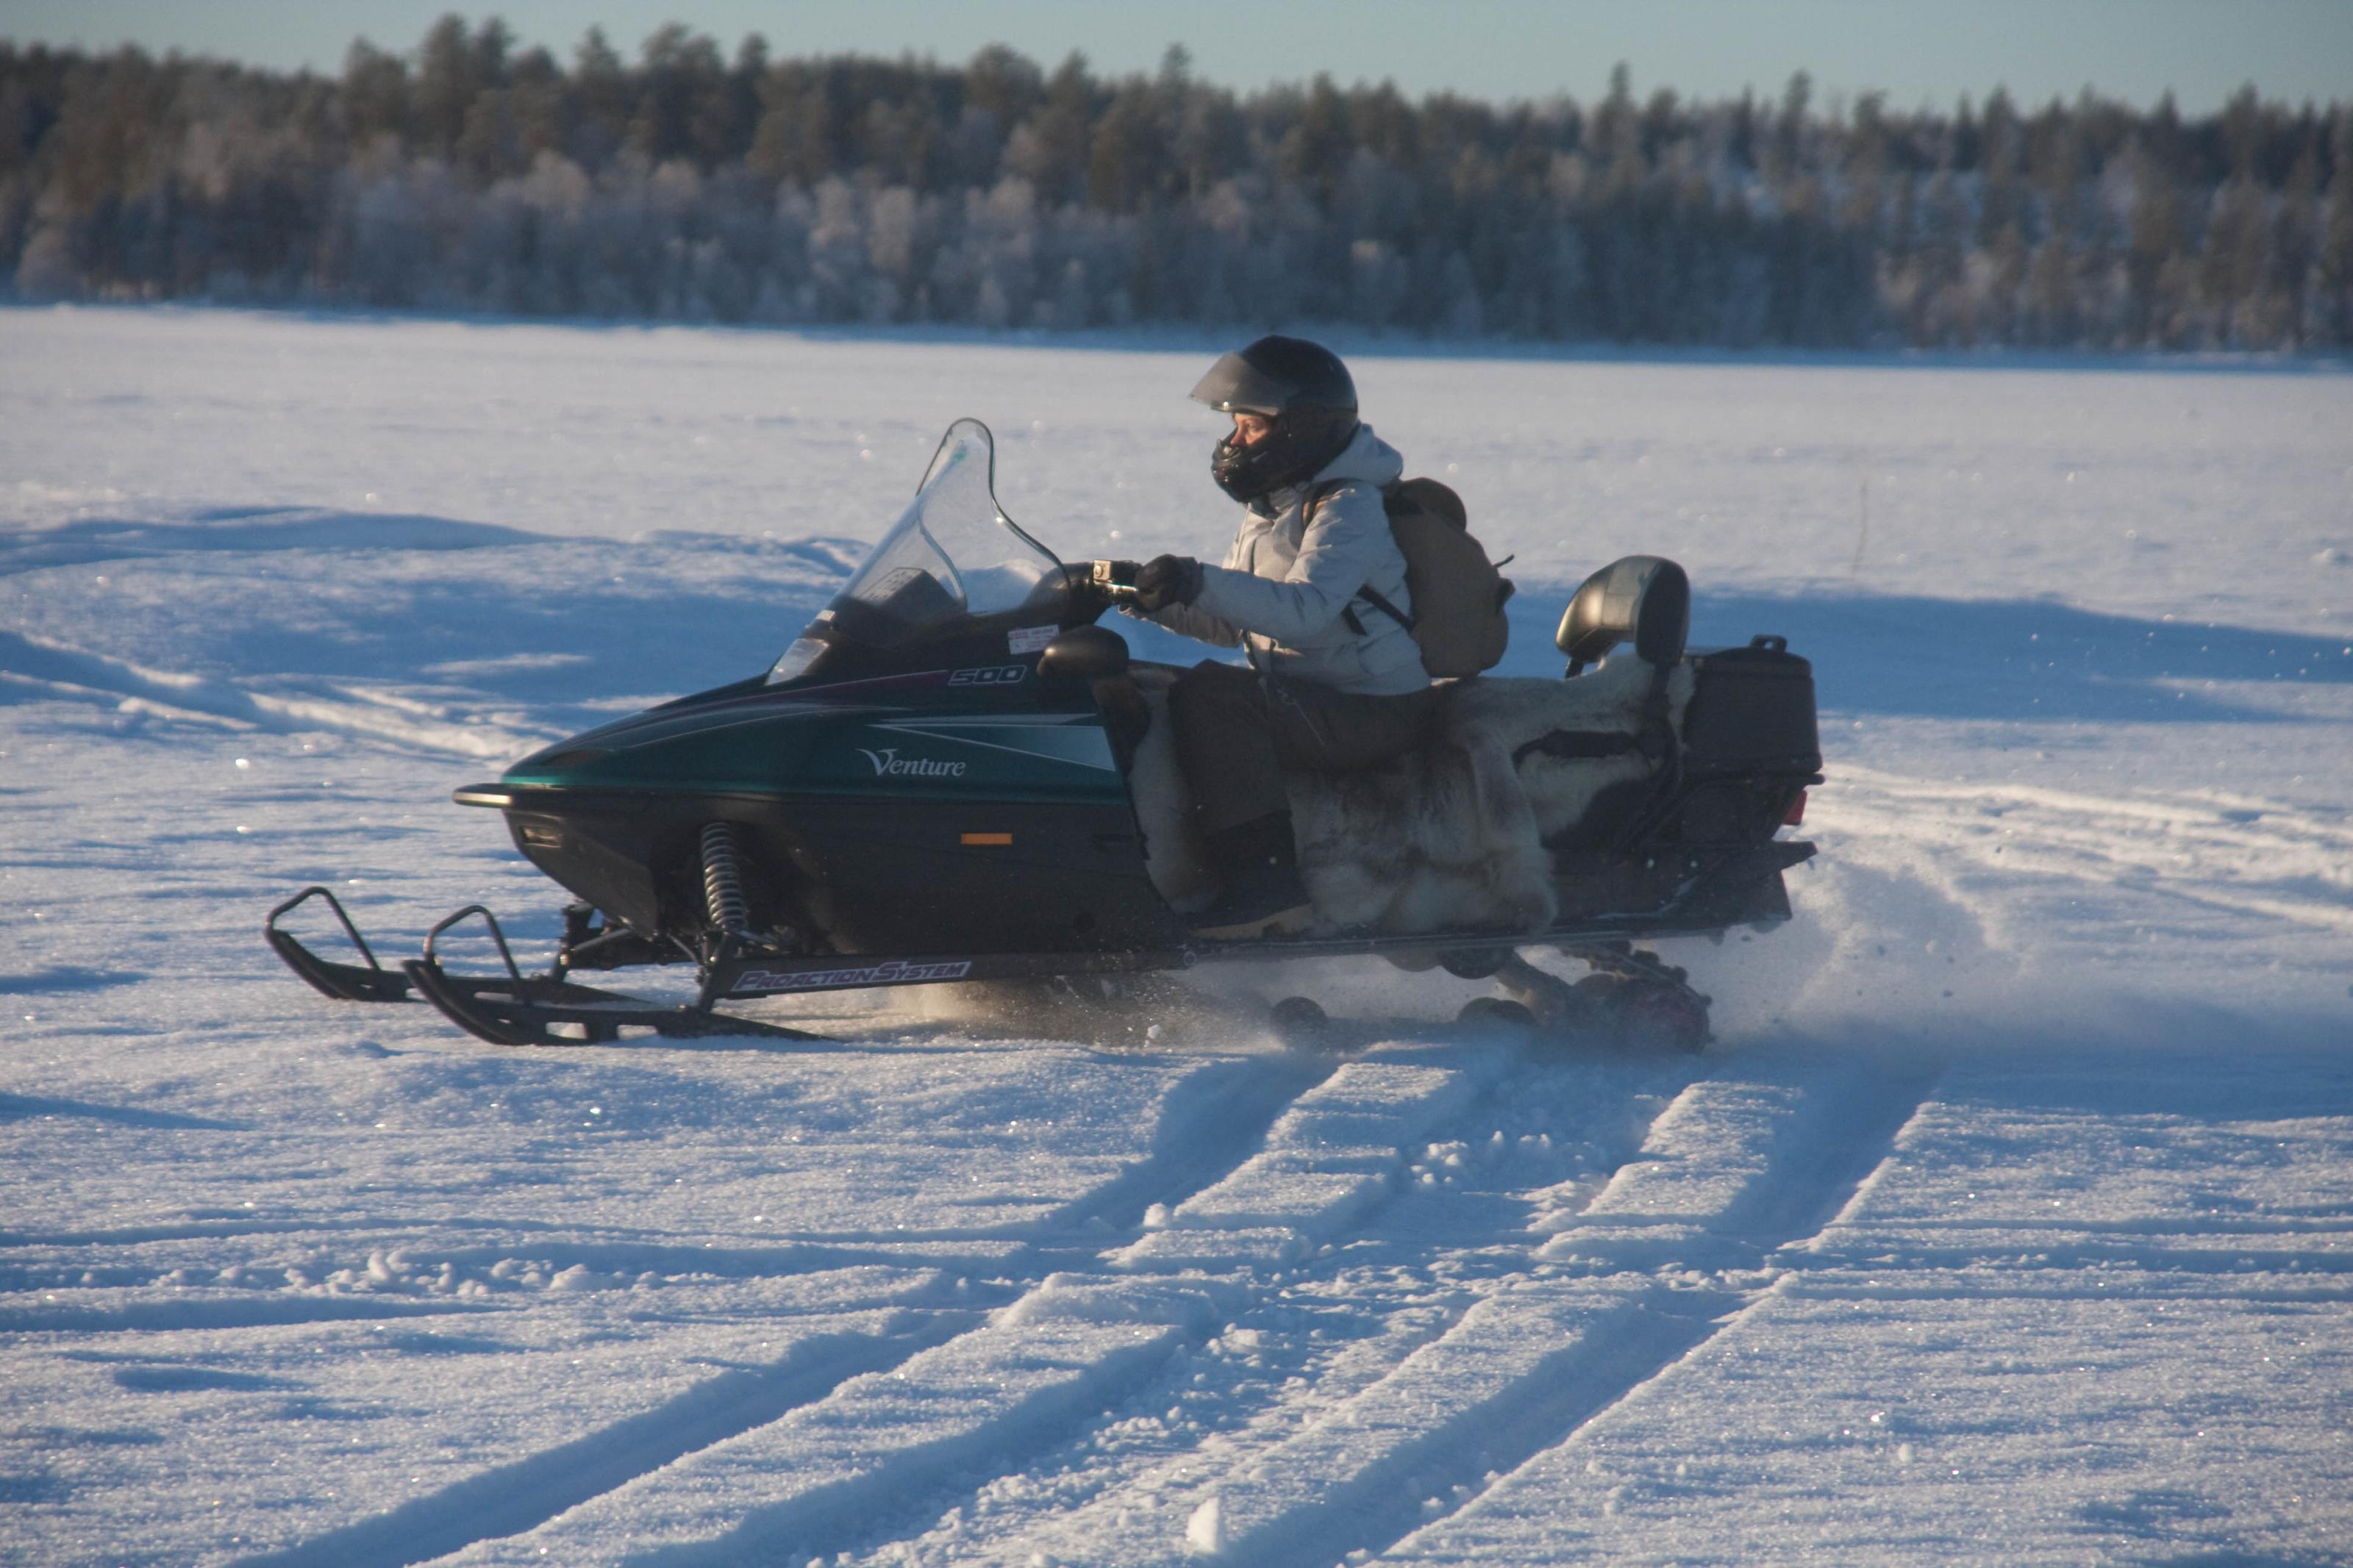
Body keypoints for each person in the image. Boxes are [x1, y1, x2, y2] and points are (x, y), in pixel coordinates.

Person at [1115, 334, 1439, 941]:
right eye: (1233, 427)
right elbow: (1232, 623)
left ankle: (1266, 892)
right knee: (1162, 687)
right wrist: (1139, 596)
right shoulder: (1274, 508)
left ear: (1301, 428)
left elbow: (1305, 611)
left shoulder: (1349, 505)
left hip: (1378, 709)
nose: (1233, 442)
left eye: (1250, 428)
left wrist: (1198, 578)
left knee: (1211, 697)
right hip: (1314, 694)